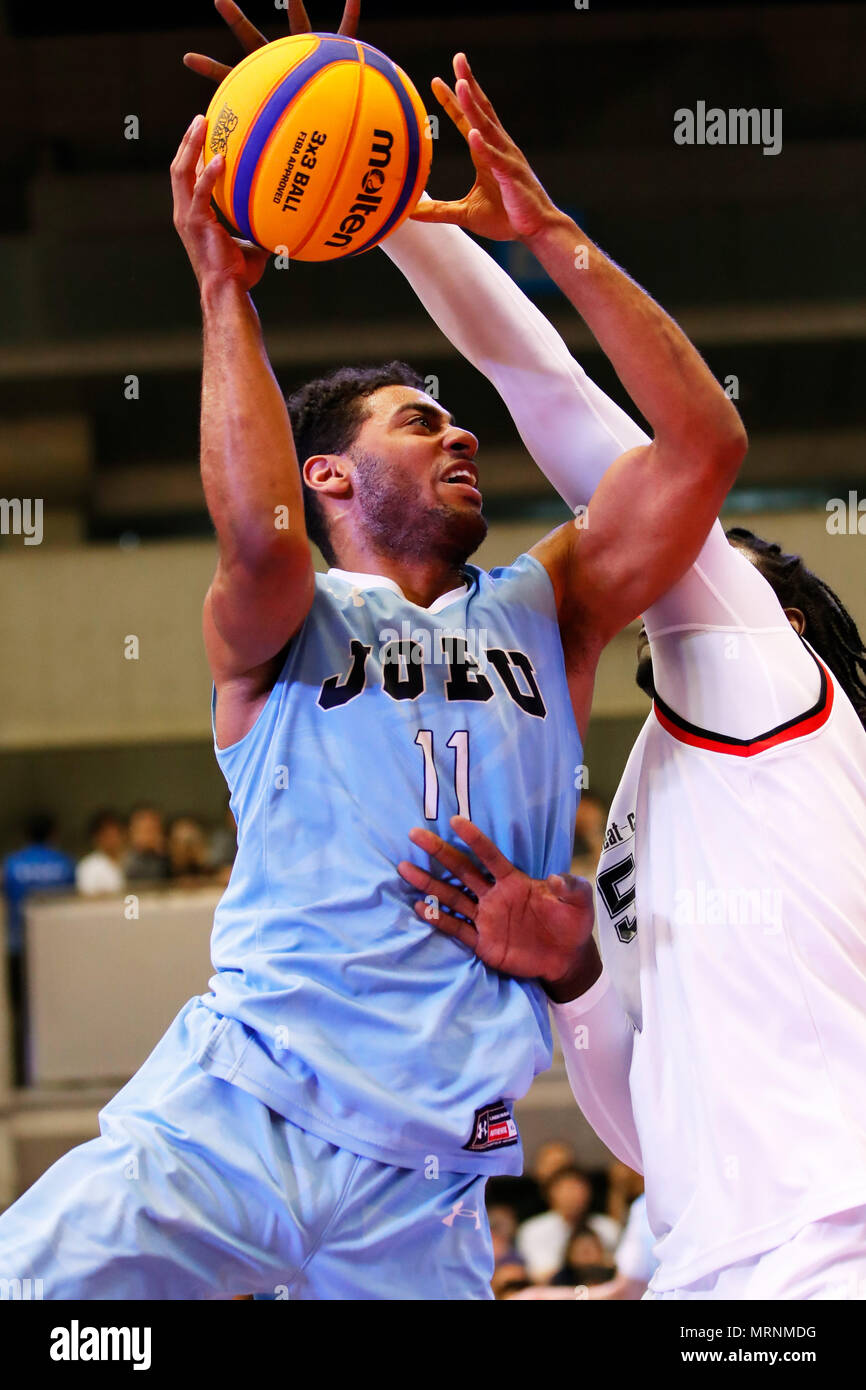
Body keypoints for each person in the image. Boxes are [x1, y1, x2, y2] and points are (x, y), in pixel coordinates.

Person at [0, 4, 744, 1299]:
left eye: (456, 418)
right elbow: (252, 527)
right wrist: (223, 289)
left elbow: (701, 453)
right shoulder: (283, 619)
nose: (460, 436)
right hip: (233, 1125)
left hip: (428, 1188)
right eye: (421, 421)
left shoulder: (547, 605)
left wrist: (546, 236)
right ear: (329, 471)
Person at [402, 521, 866, 1299]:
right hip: (700, 1258)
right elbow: (647, 1126)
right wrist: (572, 975)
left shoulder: (789, 709)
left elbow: (641, 477)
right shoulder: (650, 778)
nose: (661, 588)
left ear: (783, 630)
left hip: (831, 1229)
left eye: (689, 578)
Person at [2, 813, 76, 1084]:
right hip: (56, 951)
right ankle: (58, 1068)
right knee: (59, 1009)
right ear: (53, 833)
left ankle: (21, 1074)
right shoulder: (65, 864)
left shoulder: (11, 865)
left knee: (20, 1011)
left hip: (17, 947)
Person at [516, 1165, 619, 1281]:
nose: (573, 1194)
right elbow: (538, 1274)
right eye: (567, 1188)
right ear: (551, 1193)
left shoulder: (608, 1227)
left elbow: (619, 1269)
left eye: (578, 1187)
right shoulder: (533, 1230)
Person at [76, 811, 126, 897]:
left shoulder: (131, 859)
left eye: (115, 833)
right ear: (97, 837)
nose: (112, 839)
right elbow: (87, 898)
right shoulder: (88, 866)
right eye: (107, 835)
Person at [123, 804, 169, 883]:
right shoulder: (126, 861)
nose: (150, 836)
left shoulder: (168, 857)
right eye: (146, 830)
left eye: (154, 829)